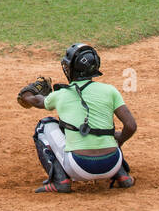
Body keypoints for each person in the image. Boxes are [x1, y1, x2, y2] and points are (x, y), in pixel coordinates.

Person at [17, 44, 136, 194]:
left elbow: (36, 100)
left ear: (71, 68)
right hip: (112, 164)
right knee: (105, 130)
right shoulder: (110, 90)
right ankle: (122, 174)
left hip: (79, 168)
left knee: (44, 125)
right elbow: (131, 126)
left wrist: (26, 93)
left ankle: (60, 180)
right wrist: (120, 141)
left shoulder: (60, 95)